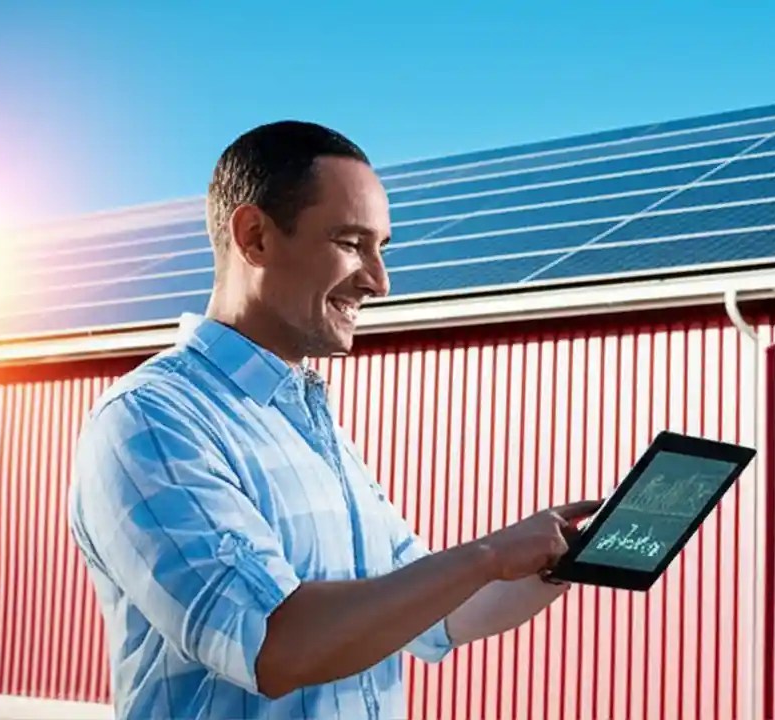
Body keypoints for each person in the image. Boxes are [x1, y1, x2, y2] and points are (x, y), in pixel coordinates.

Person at [68, 120, 601, 719]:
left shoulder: (311, 429)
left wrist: (555, 561)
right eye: (351, 243)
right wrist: (486, 555)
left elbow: (434, 612)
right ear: (255, 238)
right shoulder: (151, 421)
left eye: (382, 249)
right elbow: (274, 645)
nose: (379, 281)